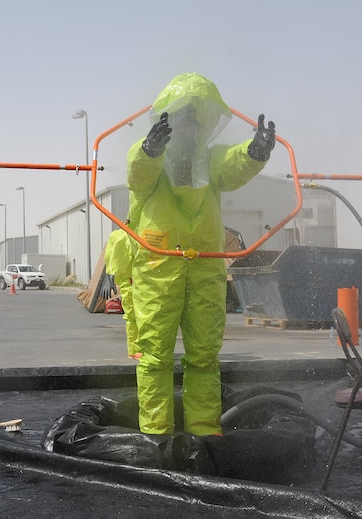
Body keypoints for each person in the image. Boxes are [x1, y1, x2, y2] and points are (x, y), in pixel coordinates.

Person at [127, 73, 275, 435]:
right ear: (168, 121)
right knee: (154, 357)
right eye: (183, 120)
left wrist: (254, 152)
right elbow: (137, 175)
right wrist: (149, 150)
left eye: (196, 121)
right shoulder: (151, 159)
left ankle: (205, 434)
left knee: (204, 358)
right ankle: (156, 435)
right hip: (158, 269)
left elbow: (233, 164)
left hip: (205, 267)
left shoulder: (210, 161)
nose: (190, 129)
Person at [102, 219, 140, 359]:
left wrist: (109, 276)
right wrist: (108, 276)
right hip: (131, 282)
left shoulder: (120, 236)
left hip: (135, 281)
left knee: (137, 317)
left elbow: (110, 258)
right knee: (134, 317)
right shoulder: (121, 236)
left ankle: (138, 349)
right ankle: (135, 350)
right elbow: (110, 258)